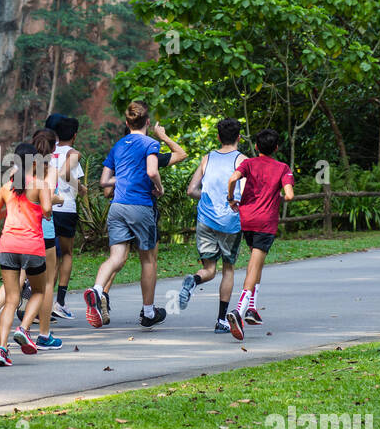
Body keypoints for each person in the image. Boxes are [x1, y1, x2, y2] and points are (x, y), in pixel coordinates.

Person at [83, 101, 165, 330]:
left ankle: (97, 290)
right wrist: (159, 188)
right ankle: (148, 311)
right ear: (147, 121)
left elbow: (104, 181)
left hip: (117, 206)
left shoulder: (118, 145)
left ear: (127, 123)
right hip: (140, 206)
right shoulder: (150, 143)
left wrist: (124, 178)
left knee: (116, 258)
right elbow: (152, 171)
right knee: (148, 259)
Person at [0, 129, 62, 350]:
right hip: (32, 247)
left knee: (11, 299)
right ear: (34, 163)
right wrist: (48, 207)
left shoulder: (8, 186)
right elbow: (46, 210)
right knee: (40, 291)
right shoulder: (39, 185)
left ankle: (1, 349)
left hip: (7, 246)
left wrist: (10, 210)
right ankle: (23, 329)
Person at [224, 127, 295, 341]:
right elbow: (289, 196)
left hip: (247, 219)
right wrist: (277, 196)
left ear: (256, 146)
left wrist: (231, 199)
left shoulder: (248, 163)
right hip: (265, 221)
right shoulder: (282, 168)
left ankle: (252, 308)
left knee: (257, 262)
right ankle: (239, 310)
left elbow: (232, 179)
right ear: (276, 148)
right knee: (255, 265)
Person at [178, 118, 245, 334]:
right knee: (228, 269)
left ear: (218, 137)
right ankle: (221, 320)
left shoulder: (207, 158)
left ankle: (194, 279)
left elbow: (191, 190)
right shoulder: (242, 160)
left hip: (205, 220)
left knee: (209, 269)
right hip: (230, 222)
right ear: (239, 137)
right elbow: (245, 193)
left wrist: (209, 199)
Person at [47, 114, 85, 320]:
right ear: (75, 135)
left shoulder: (47, 150)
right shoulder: (72, 153)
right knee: (67, 254)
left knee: (49, 256)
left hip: (46, 207)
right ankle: (60, 302)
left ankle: (38, 301)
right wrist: (82, 188)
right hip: (66, 207)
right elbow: (65, 175)